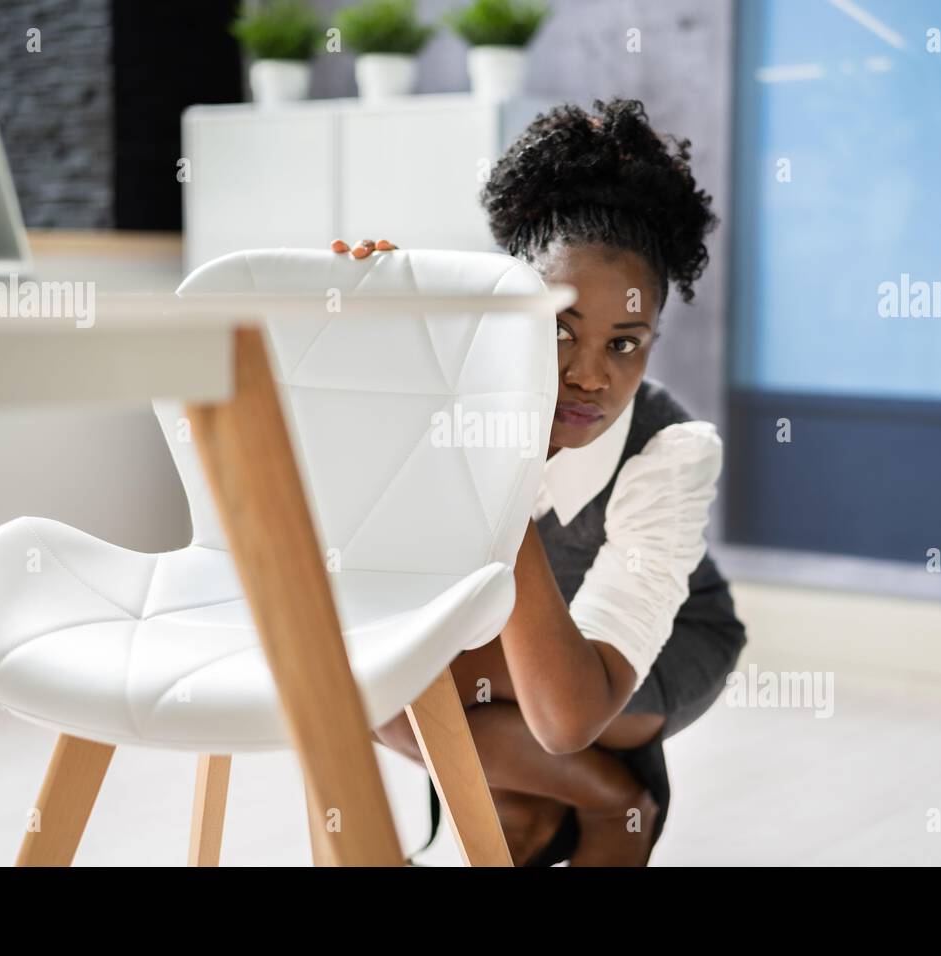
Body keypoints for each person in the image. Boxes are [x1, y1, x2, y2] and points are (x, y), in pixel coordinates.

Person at [336, 97, 747, 866]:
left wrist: (501, 485)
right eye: (559, 329)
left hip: (650, 647)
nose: (589, 375)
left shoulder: (674, 451)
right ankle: (602, 798)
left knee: (400, 673)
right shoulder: (455, 381)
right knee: (354, 669)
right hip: (509, 638)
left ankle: (576, 796)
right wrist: (363, 346)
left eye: (624, 343)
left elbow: (567, 715)